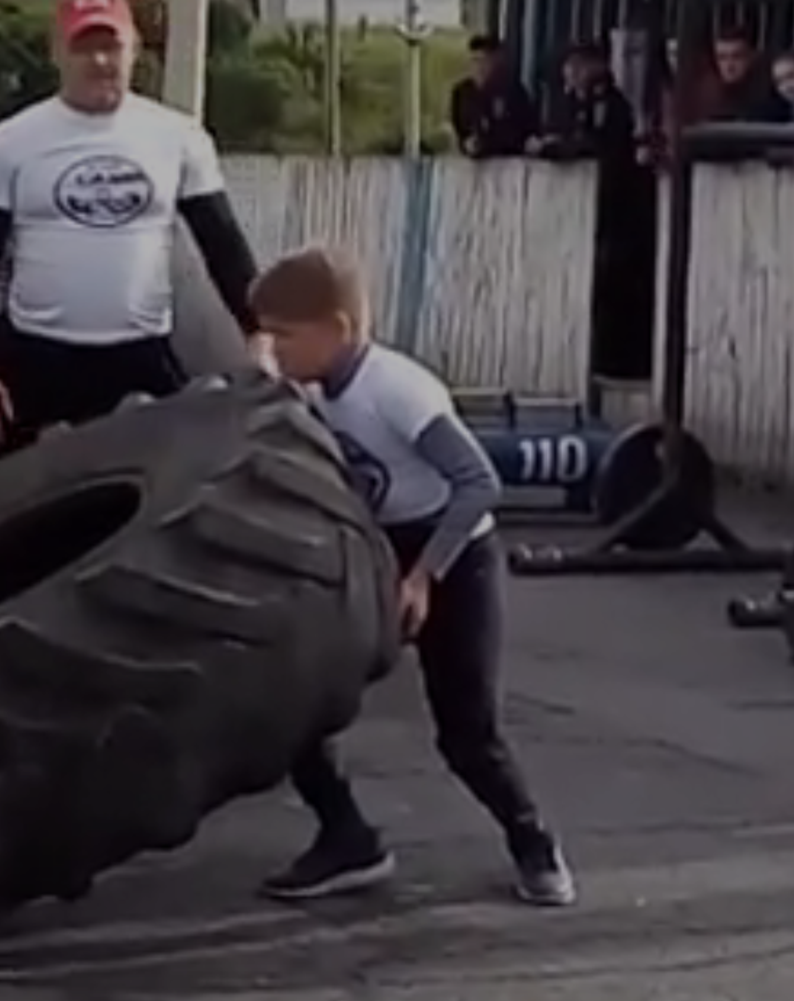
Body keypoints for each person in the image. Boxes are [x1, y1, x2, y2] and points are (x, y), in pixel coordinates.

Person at [245, 248, 575, 908]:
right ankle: (348, 840)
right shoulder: (312, 385)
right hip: (381, 551)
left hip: (455, 554)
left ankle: (534, 843)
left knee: (467, 736)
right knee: (291, 705)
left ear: (337, 330)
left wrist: (424, 577)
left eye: (284, 335)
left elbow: (479, 483)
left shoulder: (395, 389)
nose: (272, 349)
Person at [0, 0, 262, 454]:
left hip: (141, 353)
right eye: (83, 48)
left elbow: (221, 242)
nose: (99, 61)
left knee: (169, 482)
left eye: (111, 46)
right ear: (57, 53)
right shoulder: (7, 144)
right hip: (39, 355)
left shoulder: (177, 137)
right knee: (32, 494)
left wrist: (259, 333)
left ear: (134, 50)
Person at [527, 41, 635, 162]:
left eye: (575, 77)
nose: (569, 90)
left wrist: (558, 147)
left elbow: (596, 144)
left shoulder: (611, 105)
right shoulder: (574, 103)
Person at [448, 35, 536, 159]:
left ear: (495, 62)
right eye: (474, 61)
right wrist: (466, 144)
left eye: (484, 61)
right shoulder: (461, 93)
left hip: (509, 160)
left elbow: (528, 130)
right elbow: (459, 130)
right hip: (474, 162)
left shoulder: (513, 91)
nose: (479, 67)